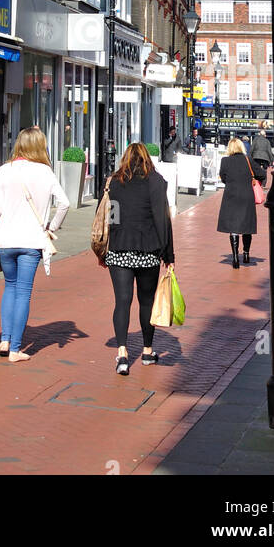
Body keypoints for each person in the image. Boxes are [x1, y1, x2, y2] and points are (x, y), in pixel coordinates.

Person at [0, 126, 69, 362]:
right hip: (32, 239)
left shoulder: (5, 170)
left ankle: (5, 340)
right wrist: (51, 227)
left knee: (9, 287)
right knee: (24, 292)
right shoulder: (46, 172)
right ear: (40, 146)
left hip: (6, 239)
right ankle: (15, 349)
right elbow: (64, 203)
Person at [104, 141, 174, 375]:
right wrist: (168, 253)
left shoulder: (115, 182)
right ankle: (146, 350)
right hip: (148, 251)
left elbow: (111, 216)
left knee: (122, 302)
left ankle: (122, 353)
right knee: (146, 302)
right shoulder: (156, 182)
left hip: (120, 249)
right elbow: (162, 219)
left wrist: (108, 246)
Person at [217, 137, 257, 267]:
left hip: (231, 196)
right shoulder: (248, 160)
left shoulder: (225, 161)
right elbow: (261, 173)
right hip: (247, 196)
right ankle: (246, 254)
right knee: (246, 226)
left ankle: (235, 257)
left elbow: (223, 177)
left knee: (233, 227)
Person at [250, 121, 274, 186]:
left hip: (256, 157)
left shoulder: (255, 140)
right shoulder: (267, 141)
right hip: (265, 158)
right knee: (264, 171)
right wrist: (272, 161)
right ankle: (263, 184)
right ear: (264, 135)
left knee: (255, 169)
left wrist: (250, 157)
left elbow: (252, 149)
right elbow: (269, 151)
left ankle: (256, 182)